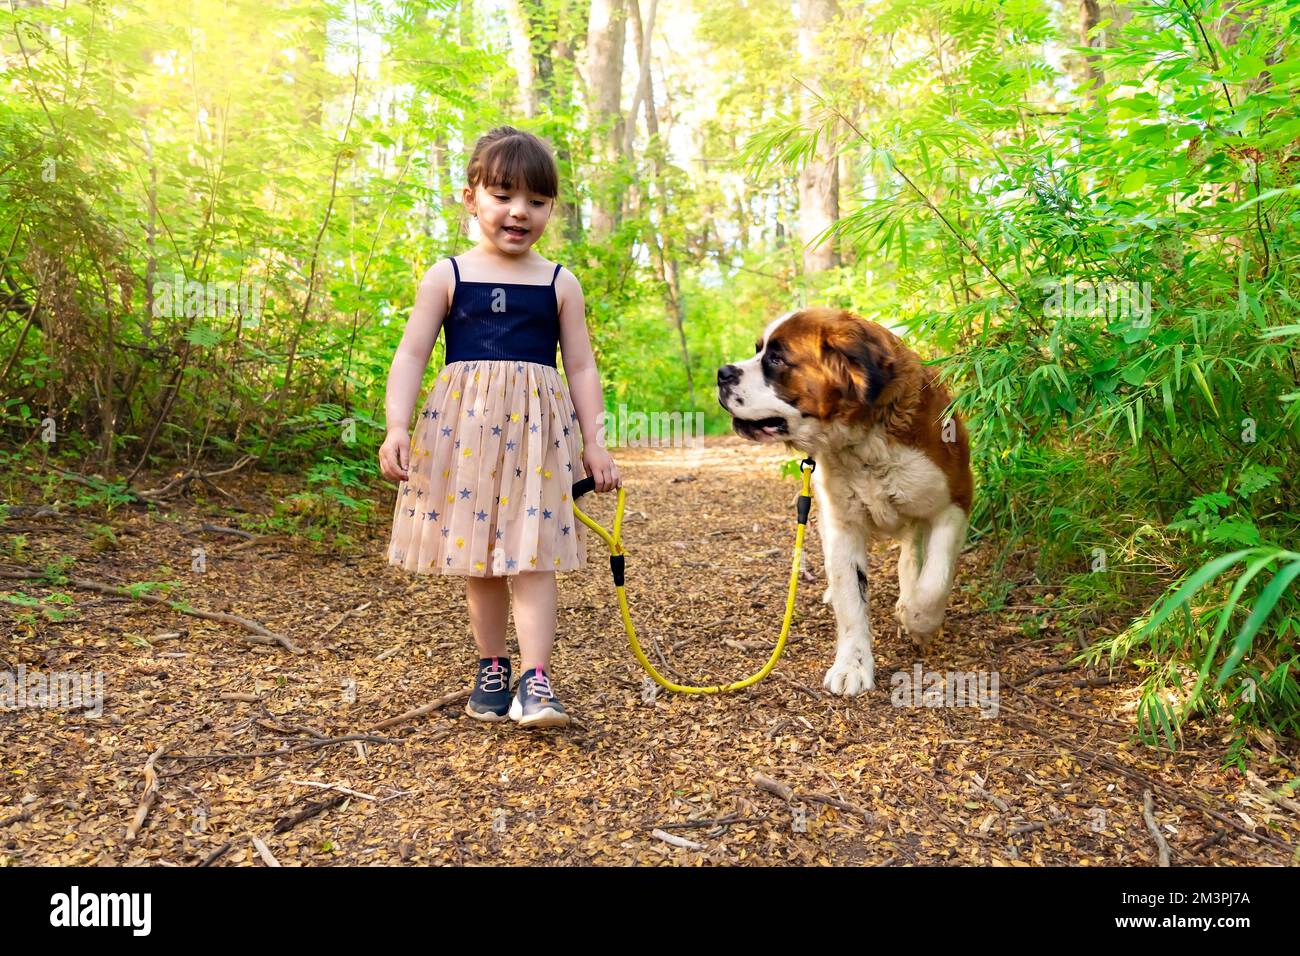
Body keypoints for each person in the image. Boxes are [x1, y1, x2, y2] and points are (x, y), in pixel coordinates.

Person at [379, 126, 620, 728]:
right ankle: (493, 664)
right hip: (464, 435)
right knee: (480, 559)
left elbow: (582, 365)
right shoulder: (447, 276)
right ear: (471, 197)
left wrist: (595, 443)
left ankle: (536, 681)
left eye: (536, 202)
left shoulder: (559, 282)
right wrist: (396, 426)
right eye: (504, 195)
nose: (520, 212)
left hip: (538, 438)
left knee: (531, 556)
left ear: (550, 209)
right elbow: (411, 354)